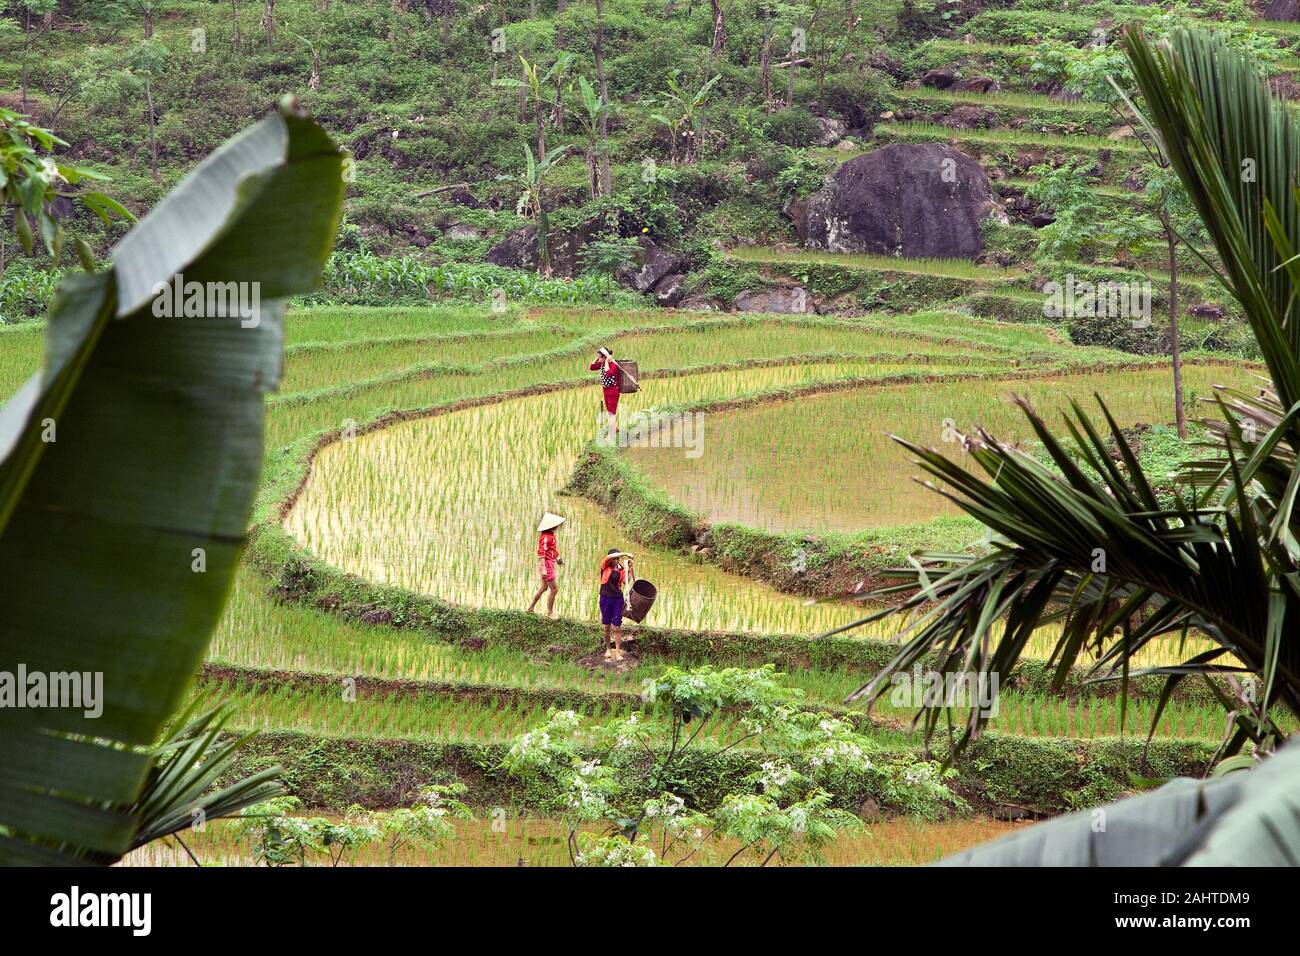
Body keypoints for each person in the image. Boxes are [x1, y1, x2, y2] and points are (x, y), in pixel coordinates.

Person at [598, 548, 634, 661]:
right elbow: (608, 558)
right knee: (606, 626)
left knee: (617, 627)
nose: (616, 560)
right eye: (614, 558)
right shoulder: (605, 566)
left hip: (617, 599)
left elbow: (626, 582)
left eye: (617, 558)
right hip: (605, 598)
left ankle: (618, 652)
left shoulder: (621, 569)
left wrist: (630, 570)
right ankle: (608, 649)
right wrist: (626, 553)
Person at [527, 512, 565, 616]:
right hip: (547, 565)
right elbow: (541, 553)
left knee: (543, 588)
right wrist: (544, 568)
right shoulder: (545, 537)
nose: (557, 526)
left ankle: (530, 608)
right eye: (555, 524)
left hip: (550, 563)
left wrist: (557, 558)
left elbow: (551, 550)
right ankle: (549, 612)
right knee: (554, 589)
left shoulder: (550, 536)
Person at [589, 346, 622, 442]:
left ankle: (611, 436)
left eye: (600, 357)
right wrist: (599, 356)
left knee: (611, 413)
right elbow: (591, 367)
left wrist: (607, 360)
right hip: (606, 390)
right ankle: (614, 428)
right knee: (610, 412)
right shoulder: (602, 364)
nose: (599, 359)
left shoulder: (613, 365)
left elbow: (608, 373)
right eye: (598, 357)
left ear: (605, 358)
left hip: (613, 391)